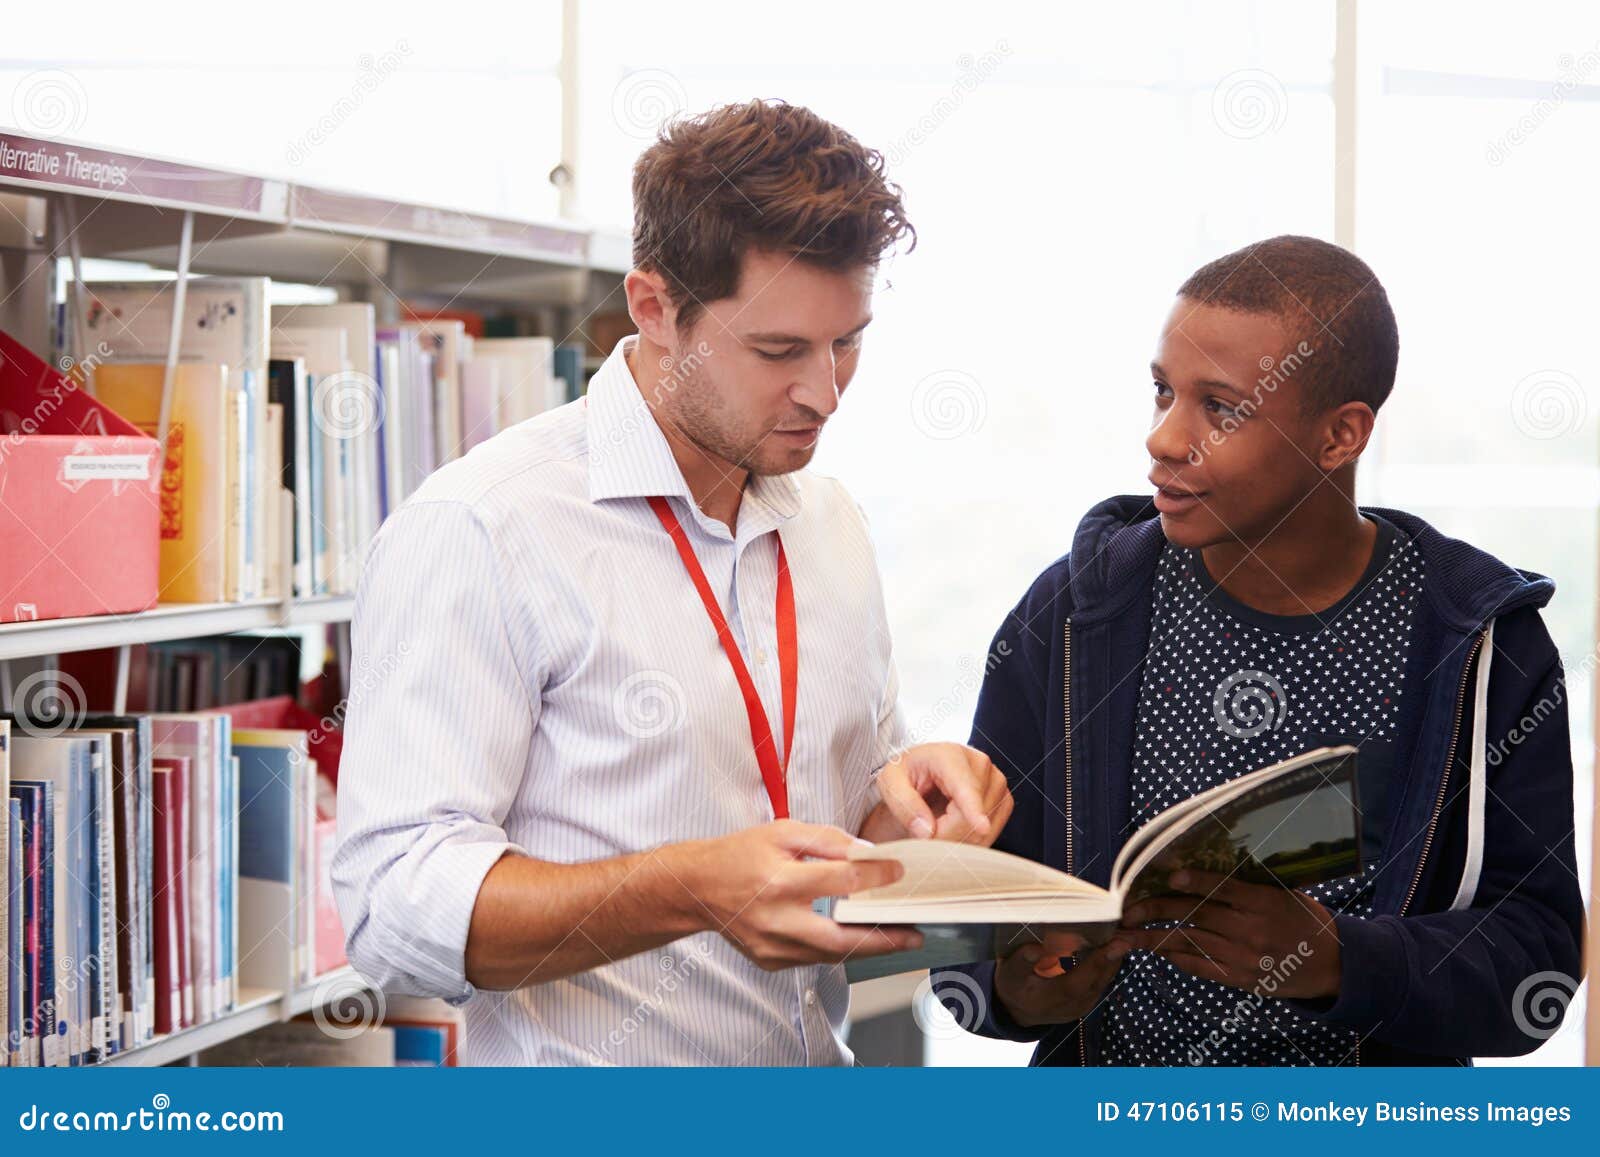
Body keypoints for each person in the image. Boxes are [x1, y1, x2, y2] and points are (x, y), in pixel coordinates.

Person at [332, 99, 1013, 1066]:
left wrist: (915, 806)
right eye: (778, 351)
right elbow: (392, 908)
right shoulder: (483, 526)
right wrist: (693, 886)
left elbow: (838, 825)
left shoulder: (830, 523)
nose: (823, 391)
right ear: (653, 308)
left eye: (847, 341)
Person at [935, 235, 1584, 1065]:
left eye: (1221, 408)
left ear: (1340, 436)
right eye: (1163, 392)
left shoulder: (1481, 640)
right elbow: (967, 920)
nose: (1165, 440)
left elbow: (1537, 971)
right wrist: (1016, 991)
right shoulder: (1073, 610)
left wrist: (1341, 961)